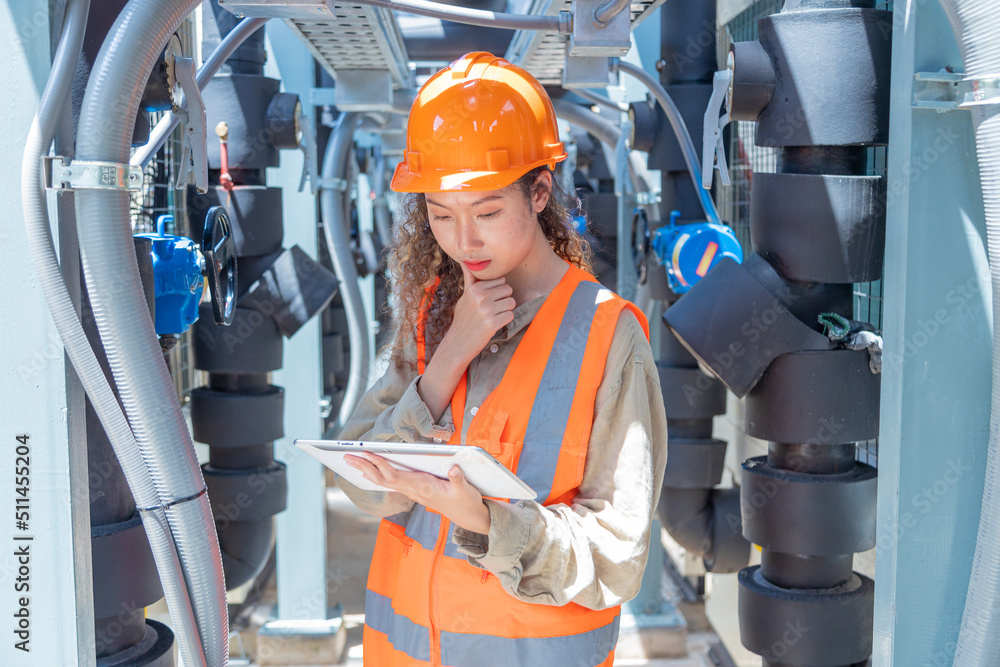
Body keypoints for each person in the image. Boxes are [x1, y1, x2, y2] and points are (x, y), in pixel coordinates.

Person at [336, 51, 668, 667]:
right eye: (440, 214)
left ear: (539, 190)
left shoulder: (607, 335)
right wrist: (449, 357)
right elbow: (362, 488)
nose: (464, 240)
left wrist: (487, 523)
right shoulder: (435, 311)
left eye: (487, 211)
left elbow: (617, 555)